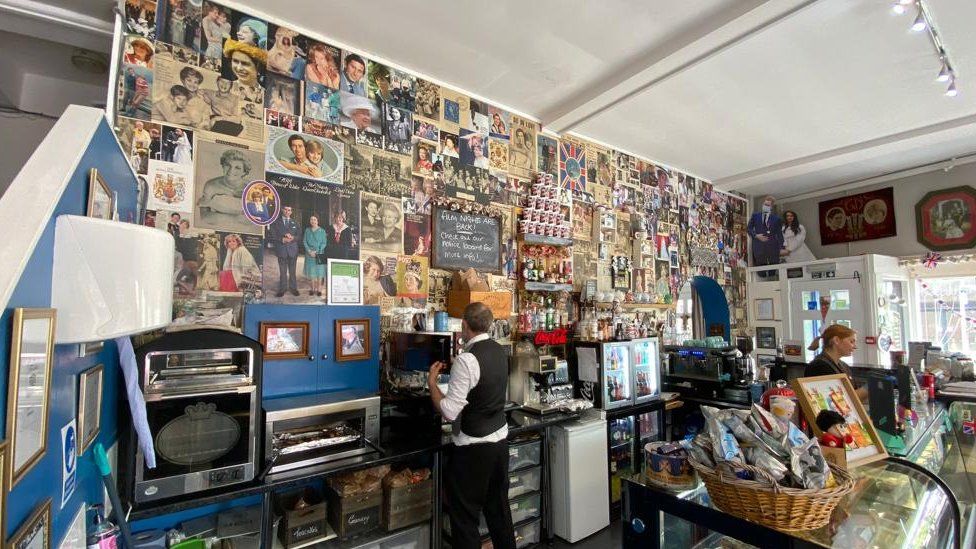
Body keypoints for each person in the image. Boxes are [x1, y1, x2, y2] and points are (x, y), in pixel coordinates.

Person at [428, 303, 516, 549]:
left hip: (473, 450)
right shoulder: (500, 350)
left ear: (464, 325)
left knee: (465, 518)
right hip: (500, 443)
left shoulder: (467, 360)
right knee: (499, 512)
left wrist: (432, 384)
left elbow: (448, 411)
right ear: (489, 325)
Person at [805, 324, 868, 401]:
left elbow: (853, 394)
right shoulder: (819, 366)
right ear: (836, 340)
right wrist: (870, 386)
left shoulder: (844, 366)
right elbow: (840, 401)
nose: (855, 346)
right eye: (851, 341)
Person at [198, 148, 252, 230]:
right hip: (217, 228)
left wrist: (212, 205)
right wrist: (236, 218)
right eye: (228, 165)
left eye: (237, 168)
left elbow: (252, 220)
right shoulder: (211, 185)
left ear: (244, 172)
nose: (231, 170)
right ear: (223, 166)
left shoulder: (252, 189)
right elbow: (205, 217)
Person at [267, 206, 300, 297]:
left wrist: (293, 238)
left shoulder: (295, 223)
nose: (287, 211)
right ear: (282, 210)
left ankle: (293, 288)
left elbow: (299, 236)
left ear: (291, 212)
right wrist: (282, 239)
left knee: (292, 271)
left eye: (289, 210)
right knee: (283, 271)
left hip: (293, 250)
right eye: (285, 209)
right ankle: (282, 289)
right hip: (281, 250)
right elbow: (272, 235)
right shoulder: (276, 223)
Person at [747, 195, 783, 267]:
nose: (765, 206)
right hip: (759, 247)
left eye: (767, 205)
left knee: (773, 268)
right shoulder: (755, 216)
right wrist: (756, 235)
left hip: (772, 248)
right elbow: (749, 229)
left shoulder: (776, 219)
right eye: (764, 204)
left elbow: (779, 234)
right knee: (760, 270)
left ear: (771, 207)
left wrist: (781, 248)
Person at [303, 214, 328, 296]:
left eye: (314, 219)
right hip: (309, 254)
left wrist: (317, 252)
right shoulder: (307, 230)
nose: (313, 221)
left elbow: (324, 243)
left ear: (317, 221)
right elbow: (304, 242)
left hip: (320, 253)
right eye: (311, 219)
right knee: (312, 272)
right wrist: (309, 251)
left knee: (320, 272)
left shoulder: (322, 231)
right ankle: (312, 289)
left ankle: (319, 289)